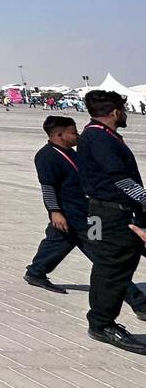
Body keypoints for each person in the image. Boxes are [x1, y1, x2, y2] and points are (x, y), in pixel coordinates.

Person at [23, 115, 146, 317]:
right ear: (59, 135)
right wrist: (55, 211)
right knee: (106, 258)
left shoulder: (72, 153)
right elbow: (48, 187)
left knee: (58, 241)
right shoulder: (47, 156)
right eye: (73, 132)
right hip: (77, 217)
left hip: (87, 212)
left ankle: (36, 271)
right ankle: (139, 303)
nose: (78, 135)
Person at [79, 90, 146, 353]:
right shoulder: (99, 137)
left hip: (103, 212)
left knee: (109, 266)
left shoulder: (97, 135)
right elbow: (121, 179)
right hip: (112, 215)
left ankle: (102, 320)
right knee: (112, 267)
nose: (126, 114)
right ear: (116, 112)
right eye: (124, 110)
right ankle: (102, 324)